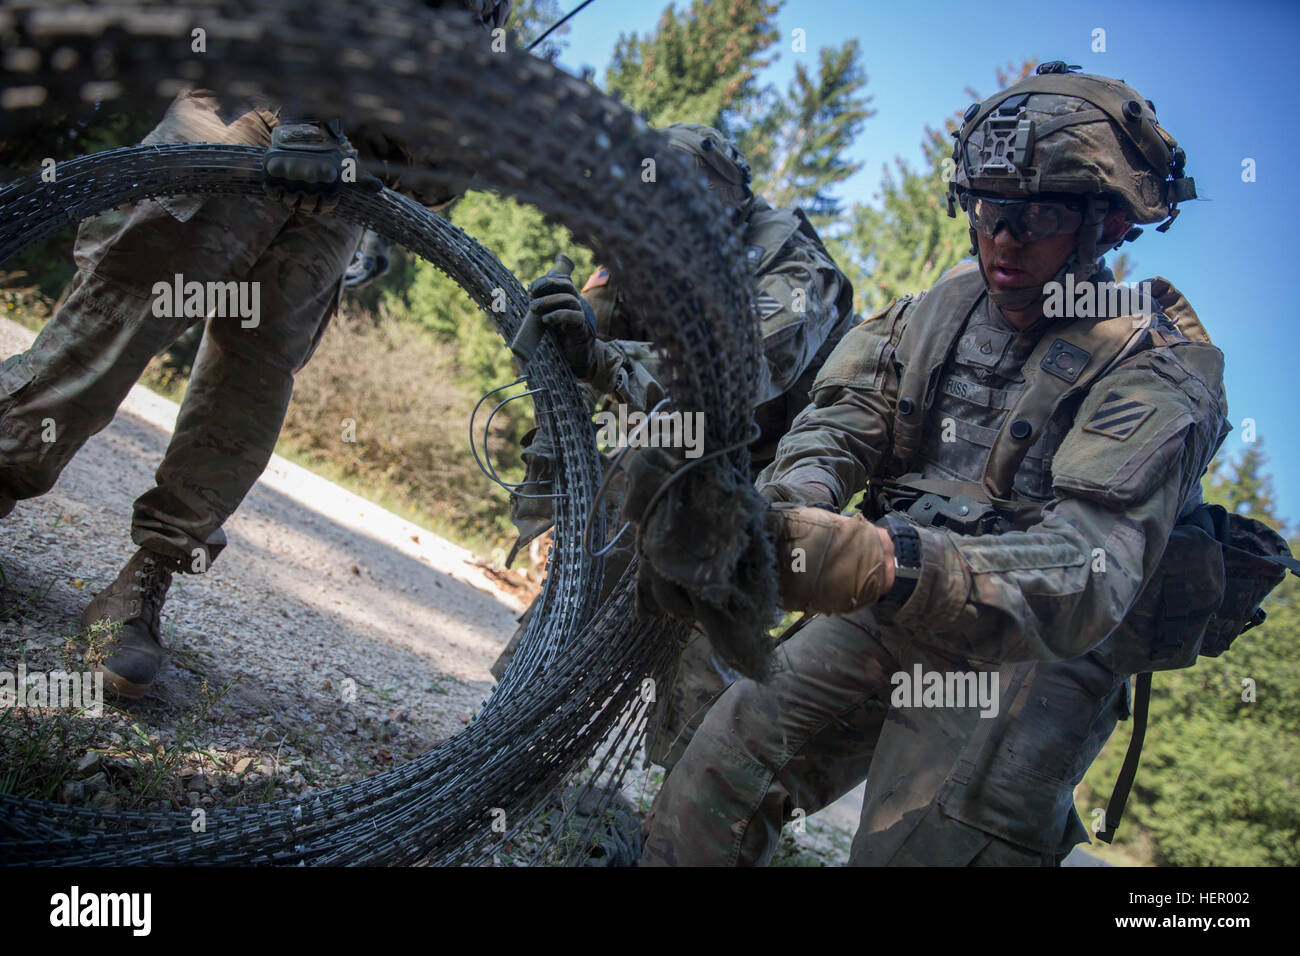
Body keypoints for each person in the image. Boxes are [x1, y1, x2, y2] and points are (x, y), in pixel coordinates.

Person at [636, 65, 1225, 865]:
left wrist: (874, 560)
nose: (1005, 237)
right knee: (721, 766)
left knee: (924, 852)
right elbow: (840, 427)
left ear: (1111, 224)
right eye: (989, 206)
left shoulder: (1153, 363)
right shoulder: (932, 315)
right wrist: (786, 517)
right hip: (891, 598)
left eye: (1041, 212)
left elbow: (1088, 571)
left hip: (1033, 651)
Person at [0, 0, 512, 698]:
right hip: (247, 115)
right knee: (123, 309)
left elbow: (450, 170)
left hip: (342, 190)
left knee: (251, 383)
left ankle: (144, 583)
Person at [494, 125, 856, 772]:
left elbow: (740, 369)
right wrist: (563, 320)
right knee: (592, 566)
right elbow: (590, 329)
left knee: (700, 652)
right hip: (674, 444)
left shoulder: (796, 265)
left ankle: (686, 815)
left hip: (769, 473)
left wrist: (602, 358)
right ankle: (506, 735)